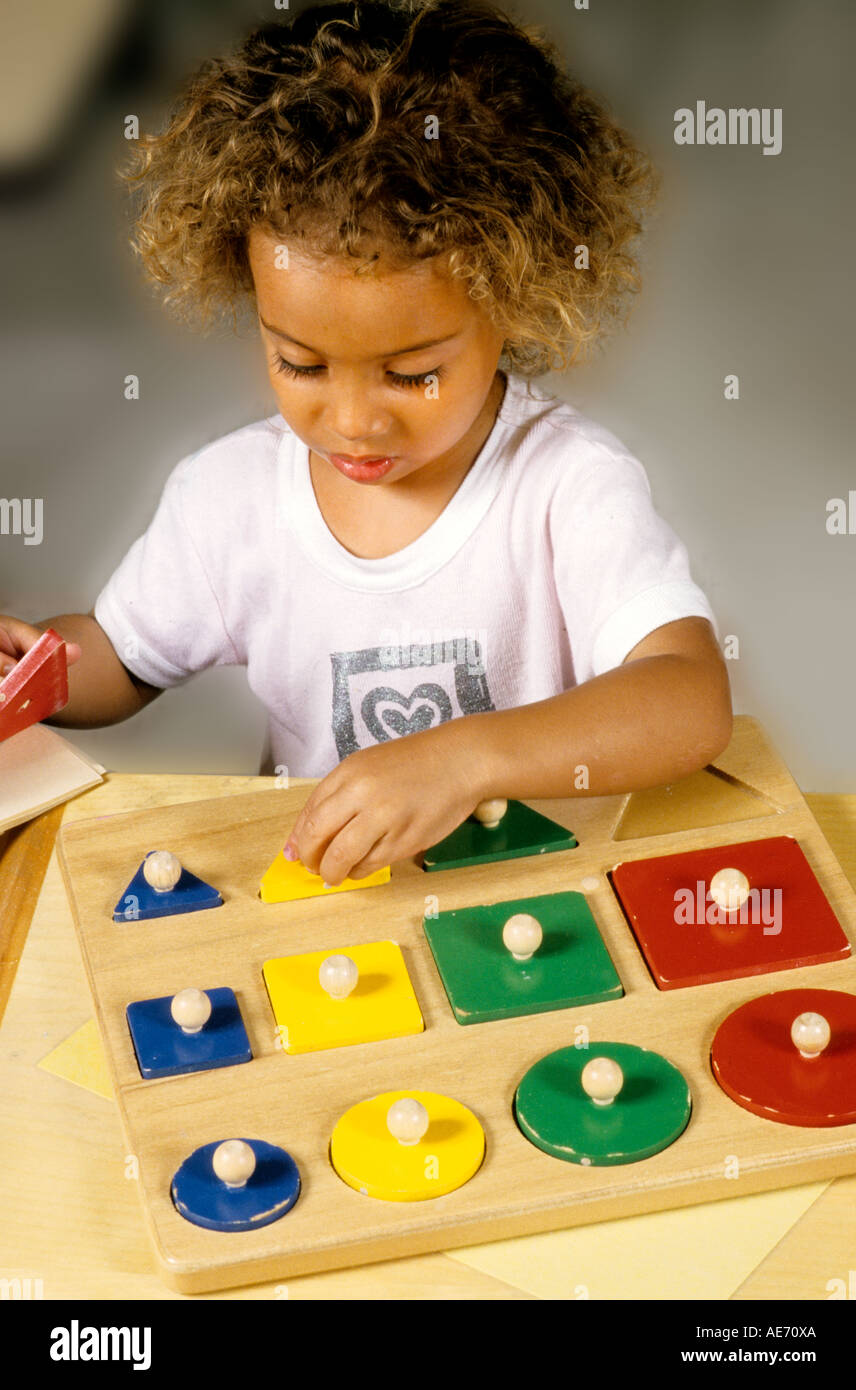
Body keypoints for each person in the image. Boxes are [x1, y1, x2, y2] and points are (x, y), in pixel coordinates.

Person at [0, 0, 731, 886]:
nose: (352, 421)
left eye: (411, 373)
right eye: (301, 363)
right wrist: (38, 665)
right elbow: (122, 657)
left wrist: (464, 758)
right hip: (333, 913)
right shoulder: (228, 496)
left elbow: (688, 700)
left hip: (531, 907)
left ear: (515, 299)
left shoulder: (567, 484)